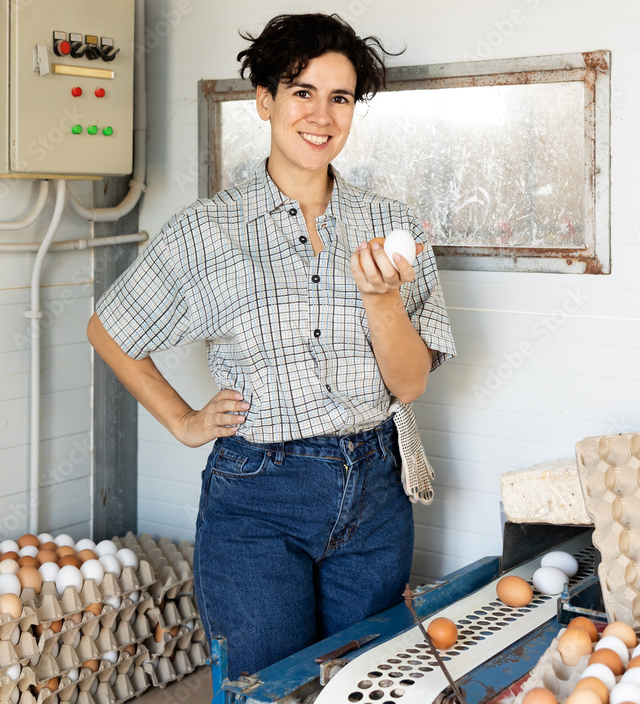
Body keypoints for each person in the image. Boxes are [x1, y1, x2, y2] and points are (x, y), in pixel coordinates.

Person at [88, 12, 456, 679]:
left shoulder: (390, 225)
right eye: (302, 91)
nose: (322, 115)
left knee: (365, 682)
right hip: (259, 499)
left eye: (339, 97)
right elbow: (109, 330)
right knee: (268, 686)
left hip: (376, 489)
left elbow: (409, 385)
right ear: (265, 101)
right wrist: (184, 420)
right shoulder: (208, 230)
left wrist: (380, 299)